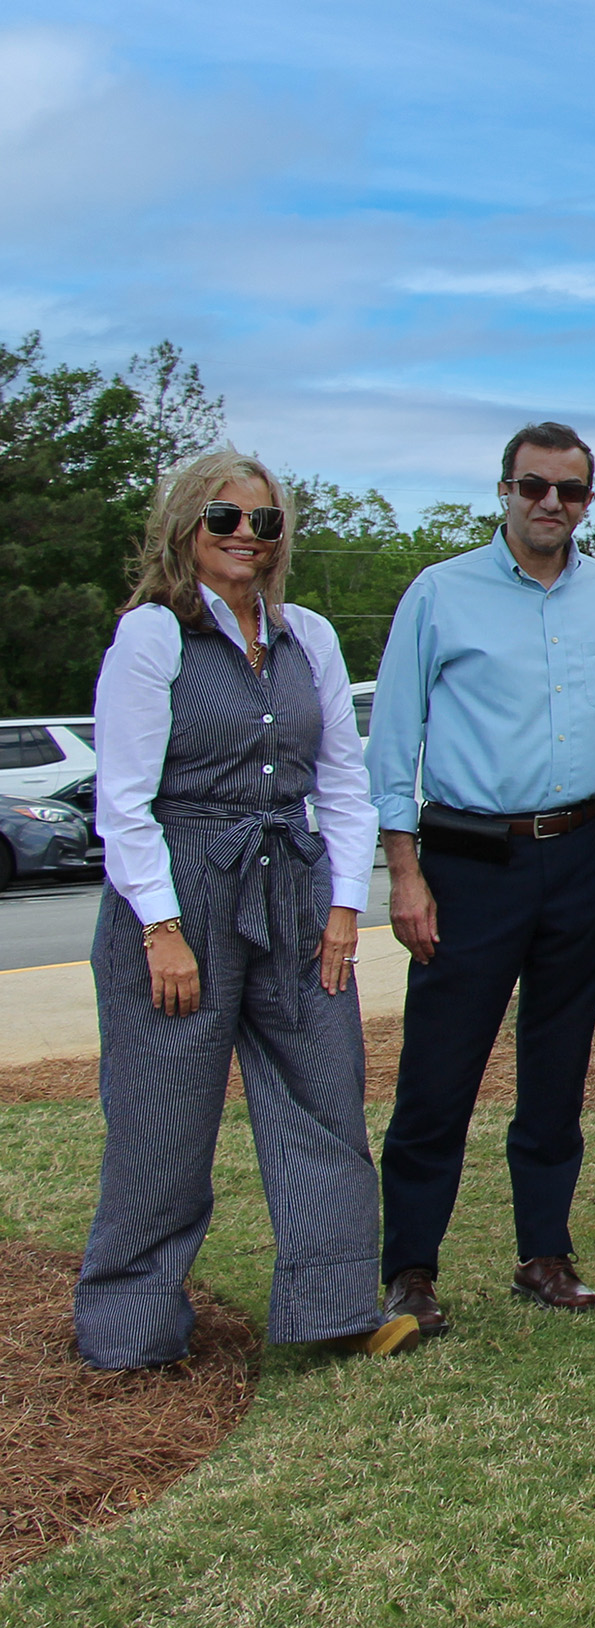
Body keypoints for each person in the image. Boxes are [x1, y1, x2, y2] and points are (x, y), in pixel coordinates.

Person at [74, 453, 417, 1367]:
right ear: (186, 525)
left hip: (294, 888)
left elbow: (344, 782)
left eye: (264, 523)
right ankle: (131, 1330)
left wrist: (345, 909)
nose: (245, 537)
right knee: (163, 1118)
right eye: (225, 517)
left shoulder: (307, 635)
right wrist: (160, 926)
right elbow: (125, 801)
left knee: (325, 1094)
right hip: (182, 891)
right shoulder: (152, 636)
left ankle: (336, 1309)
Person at [370, 422, 595, 1333]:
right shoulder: (439, 593)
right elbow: (394, 739)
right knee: (440, 1072)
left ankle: (545, 1253)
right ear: (504, 489)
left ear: (589, 500)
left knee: (558, 1065)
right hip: (469, 859)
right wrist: (404, 871)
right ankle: (411, 1267)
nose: (550, 505)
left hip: (582, 852)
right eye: (534, 487)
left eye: (570, 491)